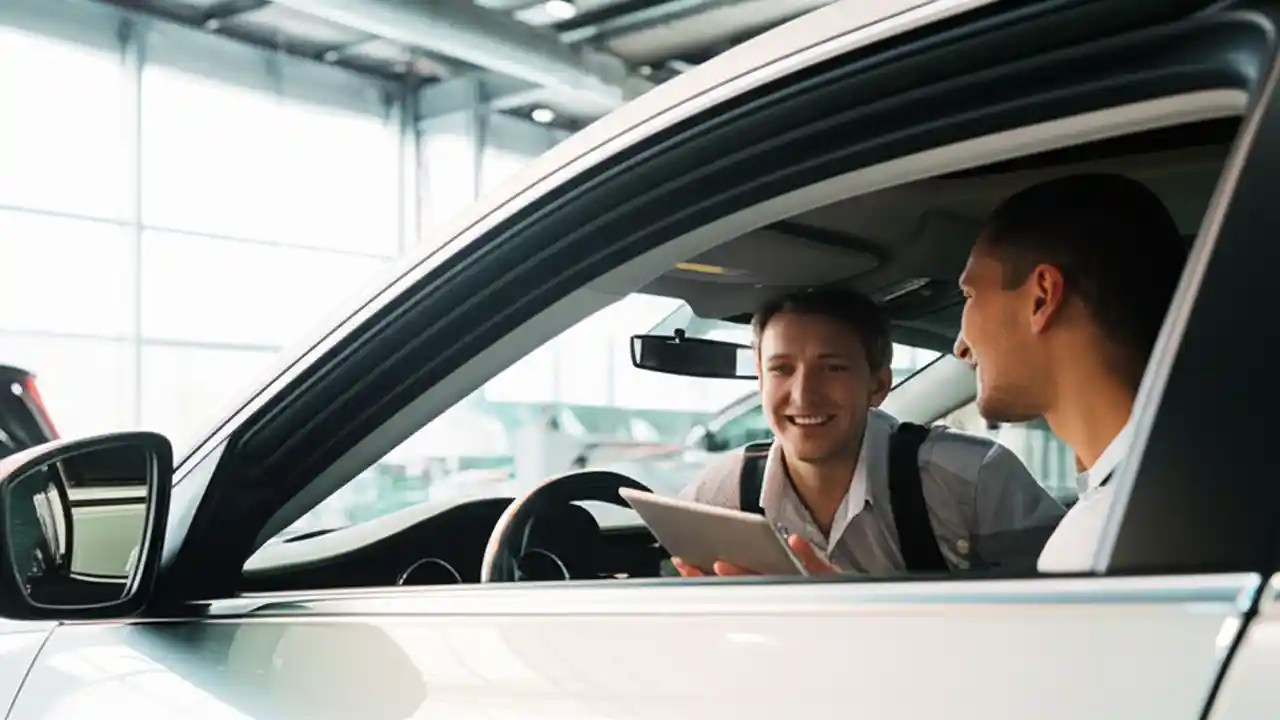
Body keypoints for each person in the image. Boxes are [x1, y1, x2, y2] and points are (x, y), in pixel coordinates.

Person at [674, 287, 1064, 577]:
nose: (803, 393)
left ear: (878, 385)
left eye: (833, 368)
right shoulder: (717, 495)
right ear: (760, 381)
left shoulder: (973, 479)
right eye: (781, 369)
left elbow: (1068, 625)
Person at [953, 172, 1189, 573]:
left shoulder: (1098, 543)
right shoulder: (1194, 482)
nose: (958, 346)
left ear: (1042, 297)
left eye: (970, 296)